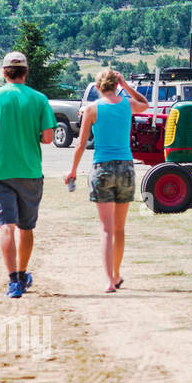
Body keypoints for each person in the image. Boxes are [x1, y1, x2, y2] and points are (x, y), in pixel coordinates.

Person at [0, 50, 58, 298]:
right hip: (30, 171)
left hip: (1, 171)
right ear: (26, 71)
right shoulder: (40, 99)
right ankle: (22, 273)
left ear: (4, 71)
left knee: (6, 226)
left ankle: (13, 281)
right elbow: (48, 137)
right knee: (26, 227)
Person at [64, 69, 149, 293]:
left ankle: (110, 280)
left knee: (106, 229)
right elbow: (145, 104)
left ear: (99, 87)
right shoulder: (126, 104)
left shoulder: (92, 109)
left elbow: (81, 144)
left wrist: (72, 170)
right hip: (125, 167)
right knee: (120, 229)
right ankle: (118, 272)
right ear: (116, 84)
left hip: (102, 167)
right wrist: (127, 86)